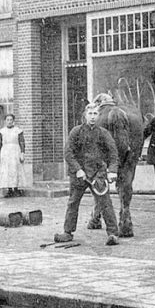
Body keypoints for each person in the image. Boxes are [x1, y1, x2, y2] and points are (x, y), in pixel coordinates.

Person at [55, 103, 120, 246]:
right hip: (80, 175)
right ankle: (67, 232)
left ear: (99, 116)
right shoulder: (76, 132)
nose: (92, 117)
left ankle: (113, 234)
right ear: (85, 115)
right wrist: (78, 169)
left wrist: (112, 170)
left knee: (106, 203)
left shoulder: (103, 133)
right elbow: (68, 153)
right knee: (73, 202)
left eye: (95, 114)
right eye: (90, 114)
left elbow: (113, 152)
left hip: (98, 174)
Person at [0, 114, 28, 198]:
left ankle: (16, 189)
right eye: (7, 120)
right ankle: (9, 190)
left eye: (11, 120)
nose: (9, 121)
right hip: (5, 152)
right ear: (5, 121)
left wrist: (22, 153)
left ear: (14, 121)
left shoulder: (18, 131)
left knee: (15, 169)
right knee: (7, 170)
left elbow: (22, 142)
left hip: (15, 151)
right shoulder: (2, 131)